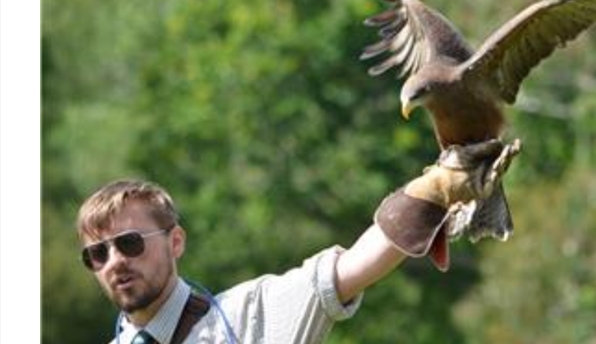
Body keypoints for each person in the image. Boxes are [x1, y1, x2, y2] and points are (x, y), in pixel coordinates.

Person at [76, 139, 519, 344]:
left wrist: (437, 188)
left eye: (130, 243)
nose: (114, 261)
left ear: (175, 242)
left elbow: (353, 268)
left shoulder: (250, 317)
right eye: (97, 254)